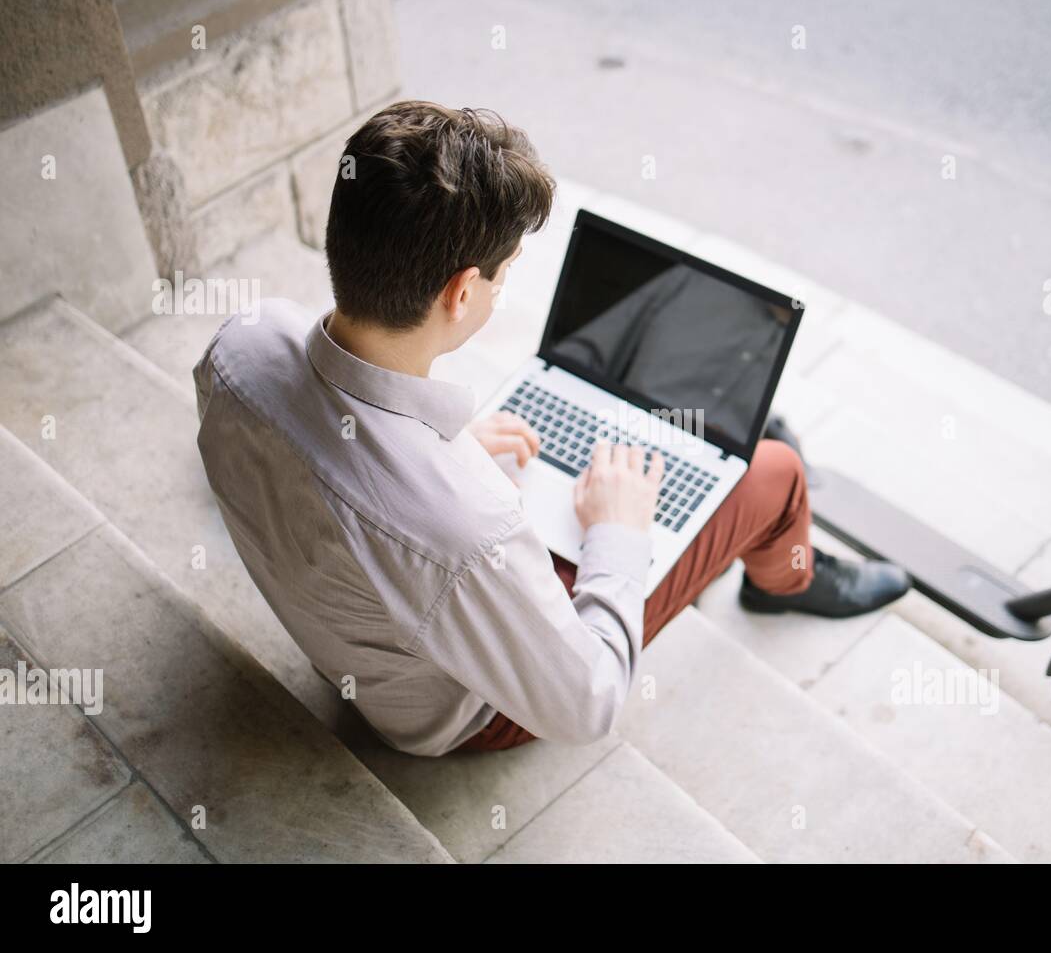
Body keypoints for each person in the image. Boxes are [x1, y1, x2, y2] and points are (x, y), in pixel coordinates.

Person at [193, 101, 910, 757]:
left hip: (375, 634)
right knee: (773, 469)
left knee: (671, 458)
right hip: (460, 713)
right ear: (462, 291)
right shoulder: (470, 529)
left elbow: (333, 474)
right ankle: (784, 581)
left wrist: (435, 455)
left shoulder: (241, 346)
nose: (502, 290)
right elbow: (589, 703)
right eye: (503, 275)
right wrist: (617, 535)